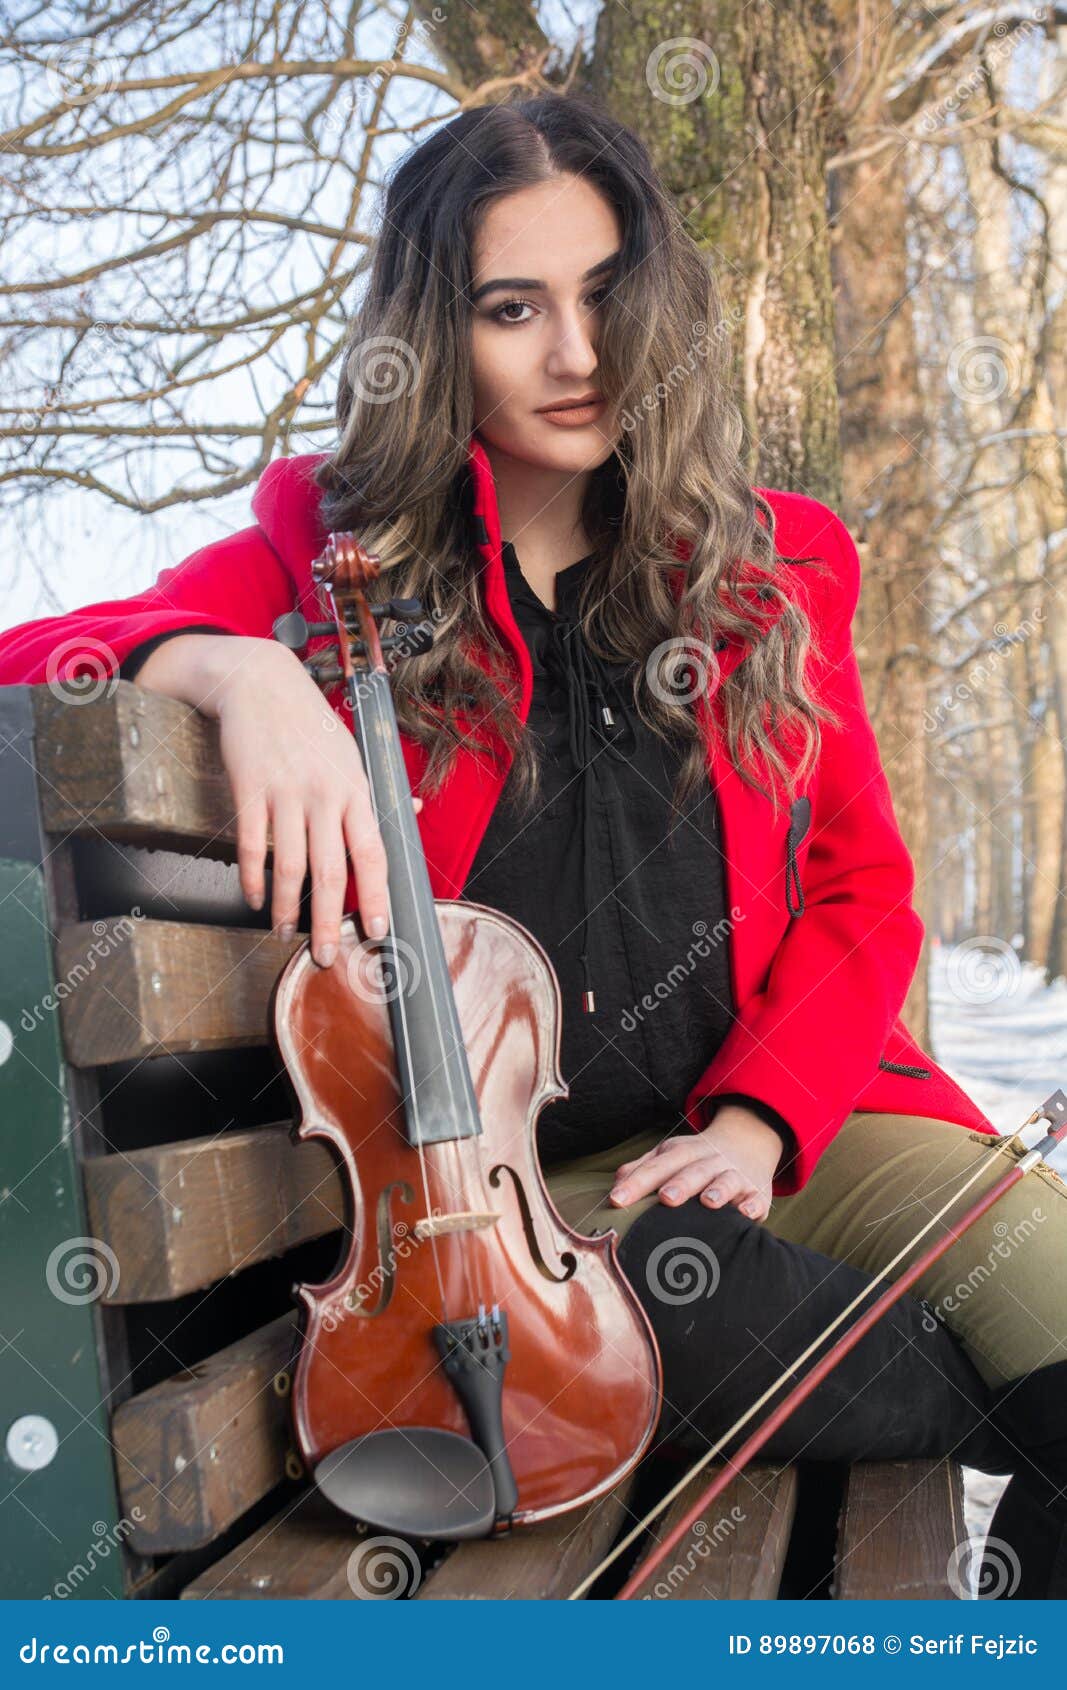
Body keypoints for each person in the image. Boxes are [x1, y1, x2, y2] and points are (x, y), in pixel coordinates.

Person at [3, 93, 1066, 1599]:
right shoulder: (337, 554)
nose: (579, 355)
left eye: (608, 295)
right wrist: (227, 664)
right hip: (539, 1206)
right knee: (700, 1317)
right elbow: (34, 652)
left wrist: (761, 1123)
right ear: (441, 334)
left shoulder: (774, 569)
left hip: (805, 1126)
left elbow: (861, 892)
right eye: (516, 308)